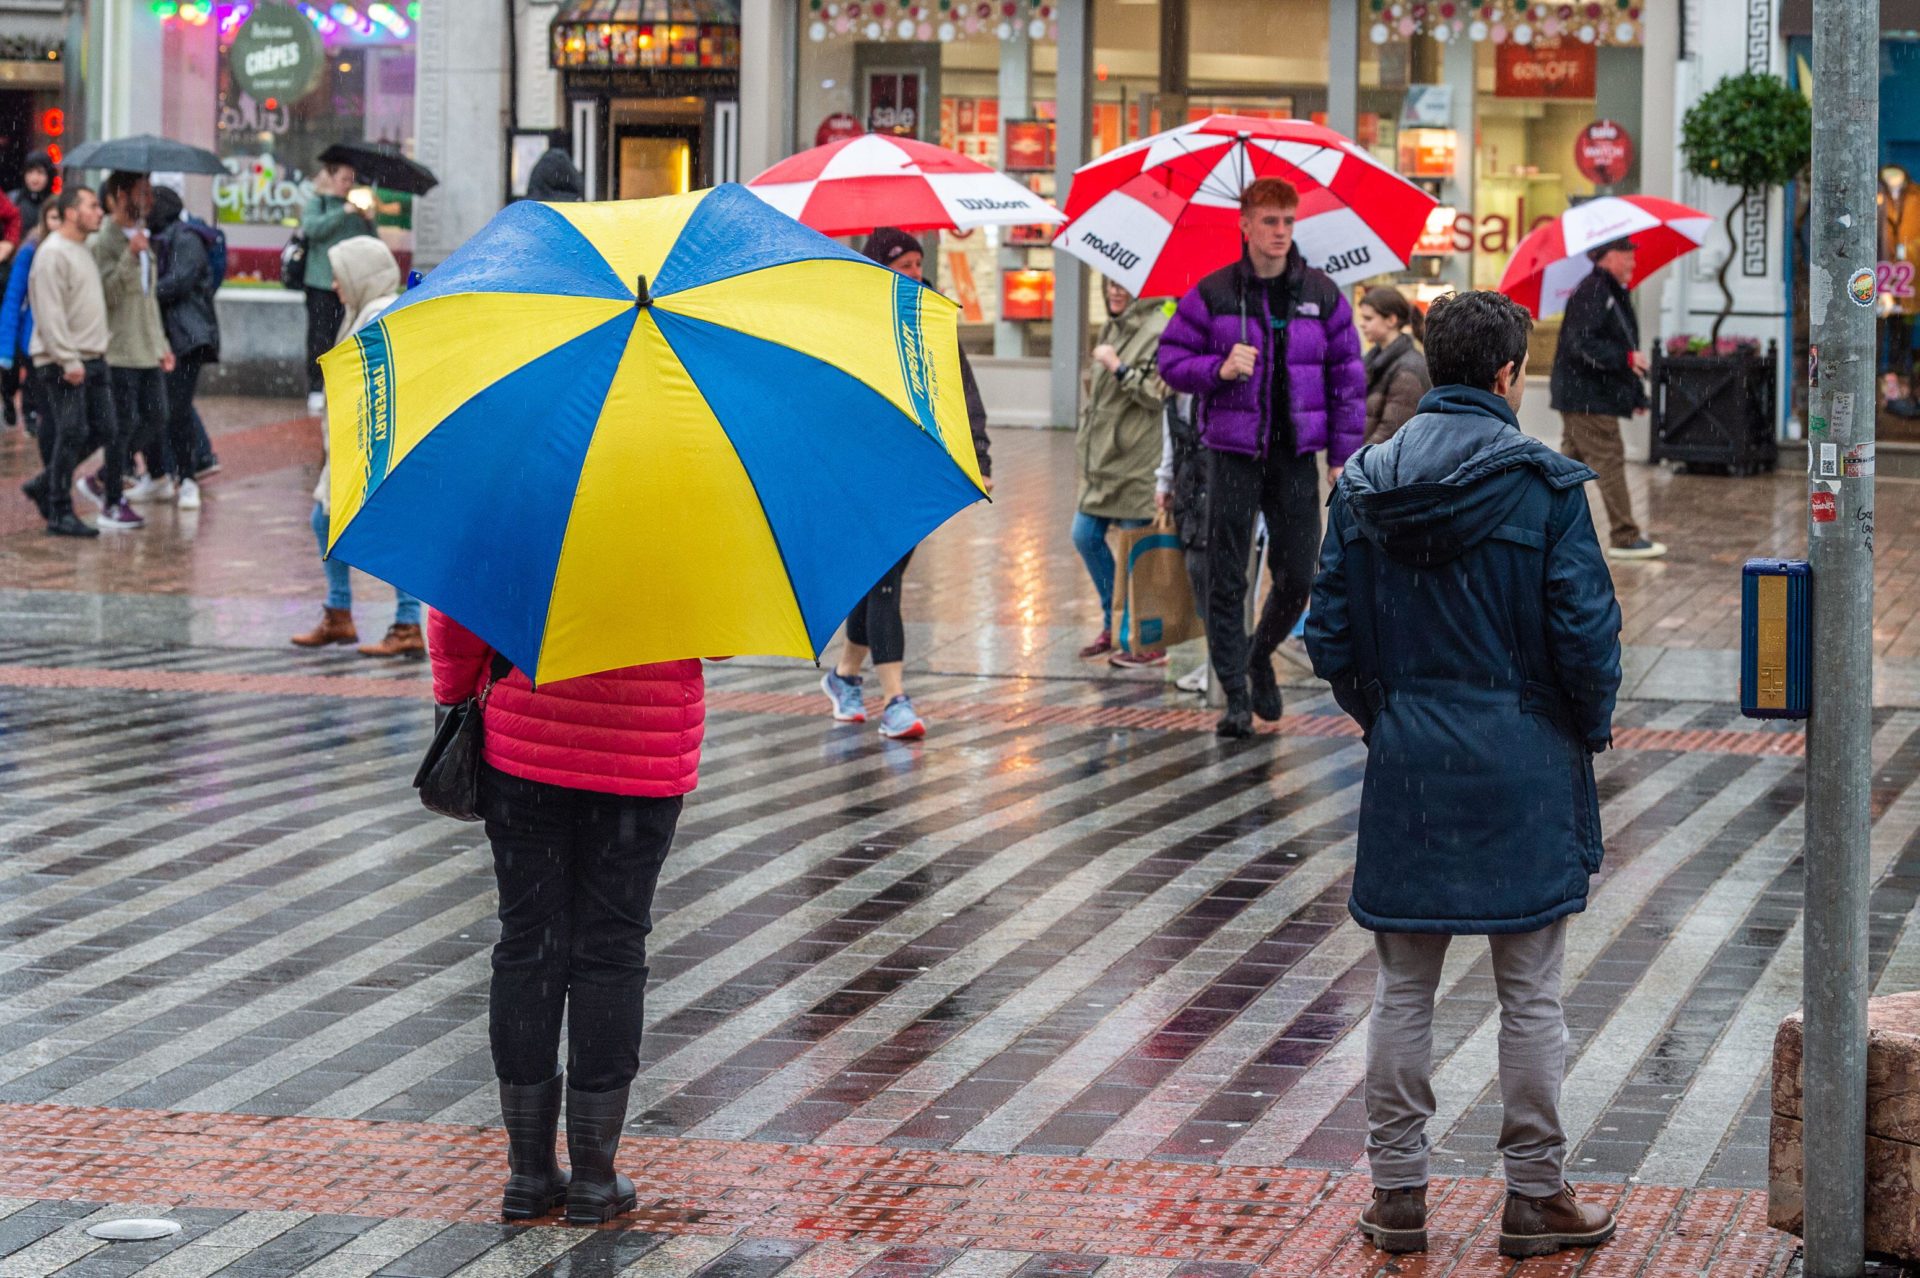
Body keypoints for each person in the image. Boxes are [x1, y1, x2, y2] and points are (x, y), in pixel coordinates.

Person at [1305, 290, 1622, 1259]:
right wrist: (1578, 731)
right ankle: (1534, 1196)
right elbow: (1588, 642)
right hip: (1523, 762)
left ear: (1436, 368)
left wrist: (1384, 712)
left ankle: (1397, 1194)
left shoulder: (1363, 487)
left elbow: (1327, 634)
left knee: (1402, 991)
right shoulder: (1549, 488)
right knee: (1530, 994)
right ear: (1507, 377)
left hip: (1409, 764)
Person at [428, 614, 705, 1226]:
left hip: (525, 748)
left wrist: (452, 699)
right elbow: (722, 637)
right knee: (611, 950)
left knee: (528, 943)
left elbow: (455, 617)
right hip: (642, 753)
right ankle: (594, 1177)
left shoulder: (510, 513)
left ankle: (528, 1173)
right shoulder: (688, 522)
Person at [1157, 177, 1366, 737]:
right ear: (1245, 225)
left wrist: (1343, 455)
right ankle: (1234, 694)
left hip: (1295, 457)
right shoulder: (1217, 293)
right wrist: (1218, 369)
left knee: (1300, 574)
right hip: (1232, 453)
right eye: (1269, 221)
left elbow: (1348, 380)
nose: (1280, 232)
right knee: (1226, 576)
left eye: (1288, 221)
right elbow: (1171, 359)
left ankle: (1256, 654)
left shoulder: (1320, 296)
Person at [819, 227, 991, 741]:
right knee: (884, 582)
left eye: (919, 263)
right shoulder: (853, 322)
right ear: (882, 268)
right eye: (905, 265)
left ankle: (845, 676)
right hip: (862, 471)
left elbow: (963, 391)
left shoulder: (931, 320)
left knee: (874, 578)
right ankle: (895, 699)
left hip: (913, 467)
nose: (916, 273)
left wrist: (980, 455)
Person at [292, 236, 426, 657]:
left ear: (362, 273)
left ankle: (402, 623)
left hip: (369, 445)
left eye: (340, 273)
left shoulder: (376, 313)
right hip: (357, 444)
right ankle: (343, 614)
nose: (334, 283)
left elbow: (376, 382)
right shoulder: (363, 311)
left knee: (386, 528)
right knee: (326, 519)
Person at [1549, 236, 1665, 560]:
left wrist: (1635, 393)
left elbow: (1609, 344)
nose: (1632, 264)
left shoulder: (1608, 290)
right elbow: (1583, 344)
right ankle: (1625, 536)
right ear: (1609, 256)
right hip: (1587, 398)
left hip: (1584, 396)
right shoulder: (1594, 290)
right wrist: (1627, 360)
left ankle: (1546, 530)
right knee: (1609, 461)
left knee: (1567, 469)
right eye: (1627, 257)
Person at [1073, 276, 1168, 665]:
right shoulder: (1114, 324)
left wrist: (1117, 367)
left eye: (1124, 284)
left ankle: (1144, 640)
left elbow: (1157, 393)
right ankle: (1114, 624)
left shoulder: (1159, 329)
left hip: (1136, 457)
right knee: (1084, 535)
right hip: (1102, 458)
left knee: (1135, 552)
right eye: (1110, 283)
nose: (1115, 290)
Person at [85, 170, 171, 531]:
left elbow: (148, 299)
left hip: (145, 347)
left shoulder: (142, 237)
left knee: (157, 416)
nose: (149, 199)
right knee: (121, 426)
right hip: (119, 348)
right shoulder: (104, 241)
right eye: (142, 192)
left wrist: (162, 344)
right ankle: (111, 502)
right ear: (121, 196)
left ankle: (104, 474)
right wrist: (128, 257)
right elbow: (105, 295)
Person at [25, 186, 113, 538]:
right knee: (73, 430)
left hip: (93, 356)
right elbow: (49, 313)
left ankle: (44, 485)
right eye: (92, 206)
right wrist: (67, 359)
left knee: (106, 429)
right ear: (72, 213)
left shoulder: (83, 249)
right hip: (64, 360)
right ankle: (59, 509)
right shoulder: (52, 254)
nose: (99, 212)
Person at [149, 187, 219, 511]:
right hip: (165, 337)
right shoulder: (158, 238)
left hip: (187, 339)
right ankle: (160, 474)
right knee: (156, 409)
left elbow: (180, 281)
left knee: (176, 409)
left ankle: (187, 477)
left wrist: (144, 293)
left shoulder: (186, 238)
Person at [298, 161, 374, 418]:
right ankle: (317, 388)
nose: (348, 184)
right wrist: (342, 211)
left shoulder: (356, 210)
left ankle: (340, 387)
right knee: (320, 337)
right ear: (331, 178)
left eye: (351, 179)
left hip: (350, 285)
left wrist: (369, 220)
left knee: (346, 336)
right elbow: (312, 230)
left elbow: (370, 245)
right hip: (320, 283)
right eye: (343, 178)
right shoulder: (318, 204)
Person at [0, 200, 57, 449]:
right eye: (53, 217)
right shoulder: (31, 250)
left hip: (68, 340)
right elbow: (14, 298)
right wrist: (6, 349)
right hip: (34, 340)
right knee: (45, 411)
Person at [1358, 287, 1431, 447]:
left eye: (1368, 318)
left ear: (1391, 320)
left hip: (1380, 466)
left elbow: (1391, 431)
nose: (1362, 324)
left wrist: (1358, 461)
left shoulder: (1408, 369)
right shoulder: (1374, 360)